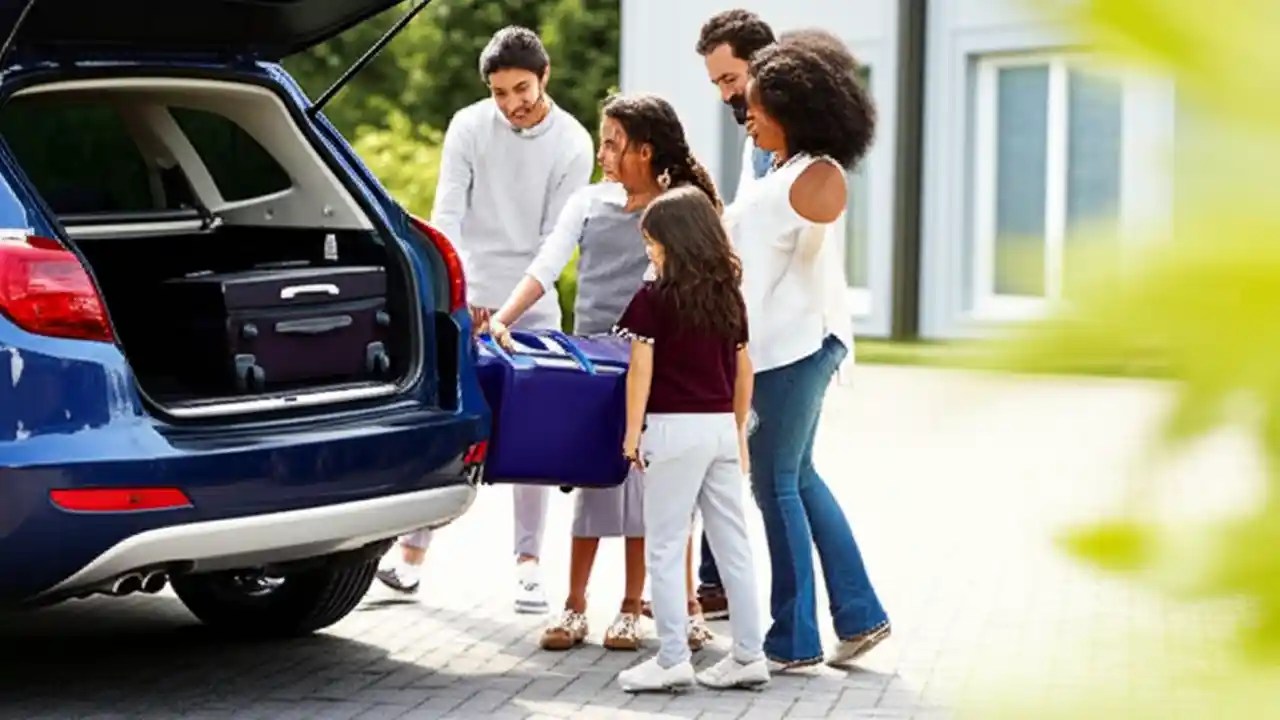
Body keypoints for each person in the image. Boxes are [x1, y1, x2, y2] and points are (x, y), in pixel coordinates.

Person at [486, 93, 720, 653]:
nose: (603, 152)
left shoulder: (675, 211)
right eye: (603, 139)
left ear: (645, 150)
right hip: (593, 364)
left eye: (614, 142)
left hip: (650, 365)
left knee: (644, 486)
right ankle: (574, 605)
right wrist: (503, 318)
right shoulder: (589, 202)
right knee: (593, 485)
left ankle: (631, 607)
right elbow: (548, 264)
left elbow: (660, 289)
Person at [374, 26, 594, 614]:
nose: (511, 103)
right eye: (500, 92)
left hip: (533, 305)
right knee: (451, 423)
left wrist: (512, 309)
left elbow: (556, 242)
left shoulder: (573, 143)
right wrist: (465, 290)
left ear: (544, 78)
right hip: (468, 301)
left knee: (533, 435)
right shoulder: (469, 126)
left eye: (521, 89)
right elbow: (448, 212)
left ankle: (528, 567)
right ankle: (411, 558)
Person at [723, 35, 890, 670]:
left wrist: (730, 365)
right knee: (798, 477)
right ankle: (860, 614)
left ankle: (792, 640)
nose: (749, 116)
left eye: (758, 108)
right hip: (811, 342)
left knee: (775, 486)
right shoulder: (798, 171)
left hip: (786, 354)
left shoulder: (794, 183)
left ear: (794, 111)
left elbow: (753, 291)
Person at [613, 186, 769, 692]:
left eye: (653, 243)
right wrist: (737, 430)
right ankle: (749, 654)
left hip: (672, 430)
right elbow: (744, 372)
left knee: (663, 544)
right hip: (721, 428)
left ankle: (672, 658)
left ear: (674, 243)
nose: (649, 253)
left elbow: (641, 371)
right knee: (734, 547)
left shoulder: (652, 299)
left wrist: (631, 433)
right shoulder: (729, 299)